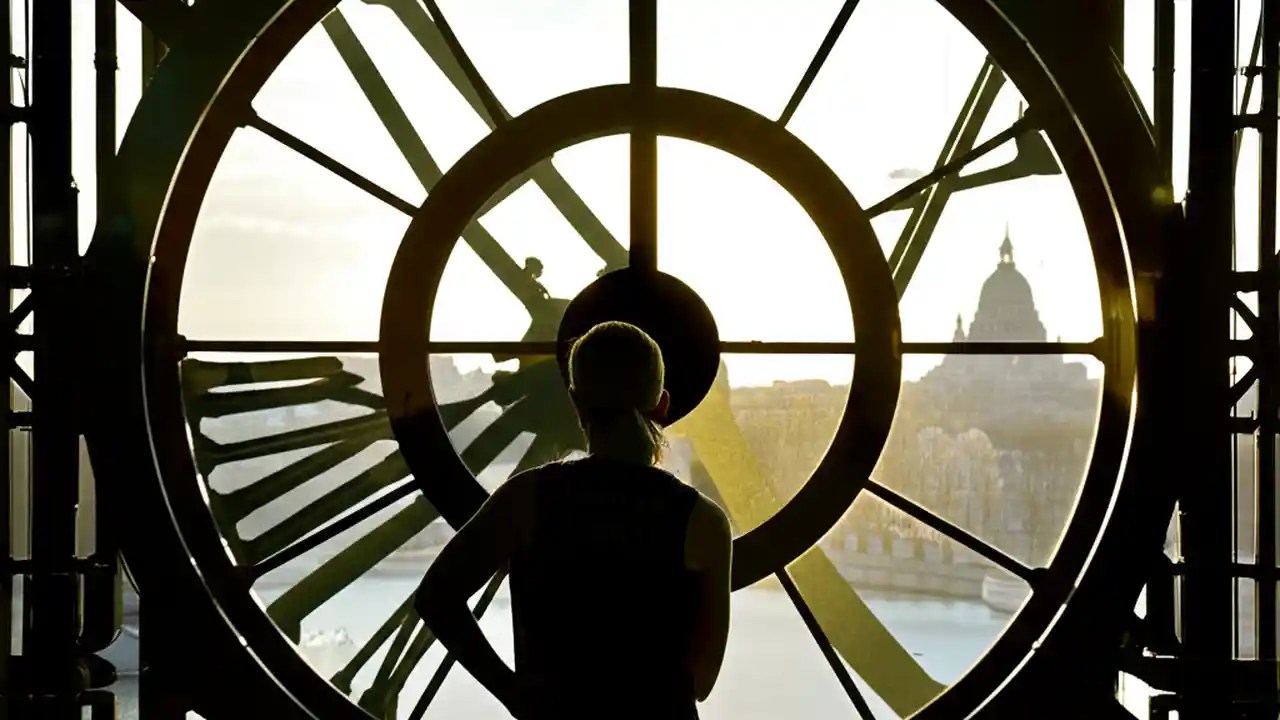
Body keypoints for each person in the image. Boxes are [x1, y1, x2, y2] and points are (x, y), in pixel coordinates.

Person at [415, 321, 733, 719]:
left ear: (576, 402)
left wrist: (513, 692)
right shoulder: (703, 521)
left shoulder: (526, 498)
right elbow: (701, 681)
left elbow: (436, 597)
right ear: (663, 406)